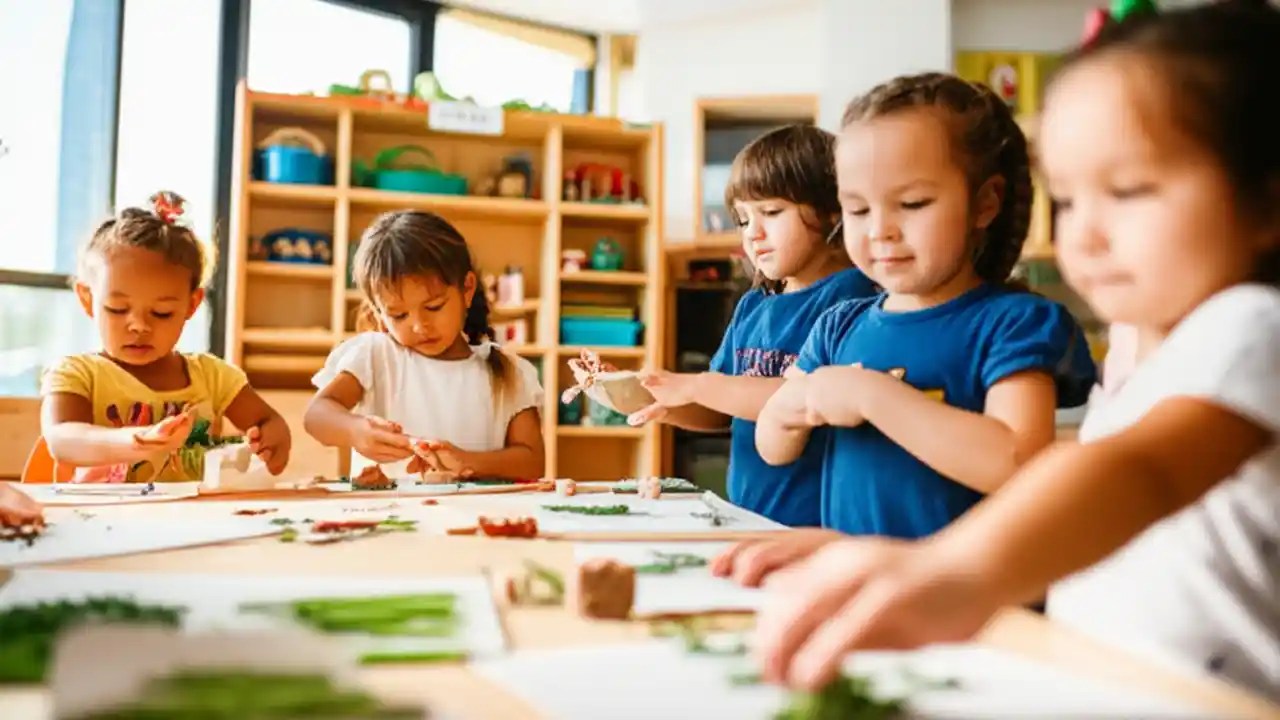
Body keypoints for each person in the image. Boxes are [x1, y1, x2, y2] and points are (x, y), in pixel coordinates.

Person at [749, 2, 1280, 700]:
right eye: (1068, 199)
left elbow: (1139, 471)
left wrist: (956, 569)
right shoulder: (1135, 351)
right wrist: (892, 554)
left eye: (1128, 191)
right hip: (1104, 681)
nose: (1082, 235)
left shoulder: (1253, 327)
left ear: (1268, 203)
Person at [741, 73, 1094, 554]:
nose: (880, 230)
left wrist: (872, 395)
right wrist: (785, 412)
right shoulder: (838, 325)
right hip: (865, 588)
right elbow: (774, 448)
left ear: (984, 202)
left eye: (911, 203)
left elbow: (1017, 462)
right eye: (859, 210)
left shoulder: (1014, 322)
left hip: (971, 604)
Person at [627, 124, 876, 527]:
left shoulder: (852, 298)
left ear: (834, 211)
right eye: (743, 220)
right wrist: (667, 405)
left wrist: (695, 384)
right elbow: (721, 409)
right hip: (749, 517)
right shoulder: (753, 306)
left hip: (816, 526)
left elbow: (802, 396)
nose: (753, 234)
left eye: (772, 213)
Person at [40, 192, 291, 482]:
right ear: (87, 299)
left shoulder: (213, 377)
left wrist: (272, 441)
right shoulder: (76, 374)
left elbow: (269, 421)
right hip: (104, 522)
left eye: (161, 313)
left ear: (191, 305)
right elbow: (62, 439)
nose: (139, 326)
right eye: (118, 309)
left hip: (193, 524)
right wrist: (134, 440)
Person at [305, 210, 544, 480]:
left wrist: (467, 462)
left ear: (466, 289)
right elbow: (316, 415)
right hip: (383, 519)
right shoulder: (375, 355)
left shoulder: (508, 371)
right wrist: (356, 431)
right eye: (399, 315)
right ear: (379, 314)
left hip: (475, 519)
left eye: (434, 307)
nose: (419, 326)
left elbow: (532, 462)